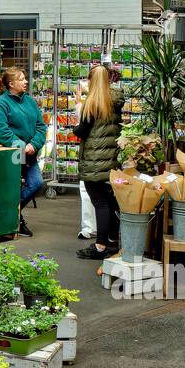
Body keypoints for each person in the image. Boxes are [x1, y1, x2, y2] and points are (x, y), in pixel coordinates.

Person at [73, 65, 123, 259]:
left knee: (100, 203)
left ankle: (100, 246)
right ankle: (112, 239)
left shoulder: (91, 104)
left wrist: (75, 126)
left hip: (94, 161)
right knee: (110, 201)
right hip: (110, 159)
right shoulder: (114, 101)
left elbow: (82, 131)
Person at [0, 66, 44, 237]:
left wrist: (33, 145)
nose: (26, 81)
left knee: (36, 183)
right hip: (12, 154)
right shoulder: (1, 104)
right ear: (11, 84)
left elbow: (41, 127)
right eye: (22, 79)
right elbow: (1, 131)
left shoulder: (30, 101)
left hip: (30, 153)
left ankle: (10, 214)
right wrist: (22, 146)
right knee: (11, 187)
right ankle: (11, 219)